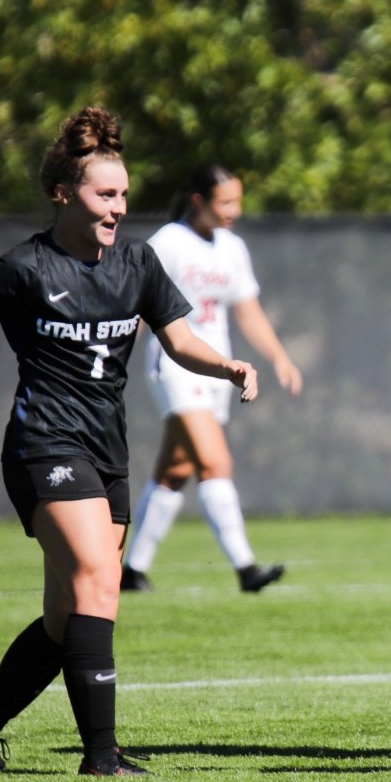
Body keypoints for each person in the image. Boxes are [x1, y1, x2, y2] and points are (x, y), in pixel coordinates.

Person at [0, 108, 257, 776]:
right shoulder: (24, 268)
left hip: (106, 452)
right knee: (97, 582)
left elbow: (180, 338)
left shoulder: (138, 263)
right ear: (63, 193)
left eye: (122, 194)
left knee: (67, 620)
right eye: (103, 194)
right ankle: (101, 756)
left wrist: (226, 367)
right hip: (42, 448)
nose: (118, 207)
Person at [120, 164, 302, 595]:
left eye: (238, 201)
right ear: (199, 201)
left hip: (220, 368)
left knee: (175, 470)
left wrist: (278, 356)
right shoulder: (168, 243)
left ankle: (131, 571)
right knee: (214, 462)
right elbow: (137, 306)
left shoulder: (231, 247)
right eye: (225, 202)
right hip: (176, 367)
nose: (233, 210)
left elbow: (248, 309)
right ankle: (246, 569)